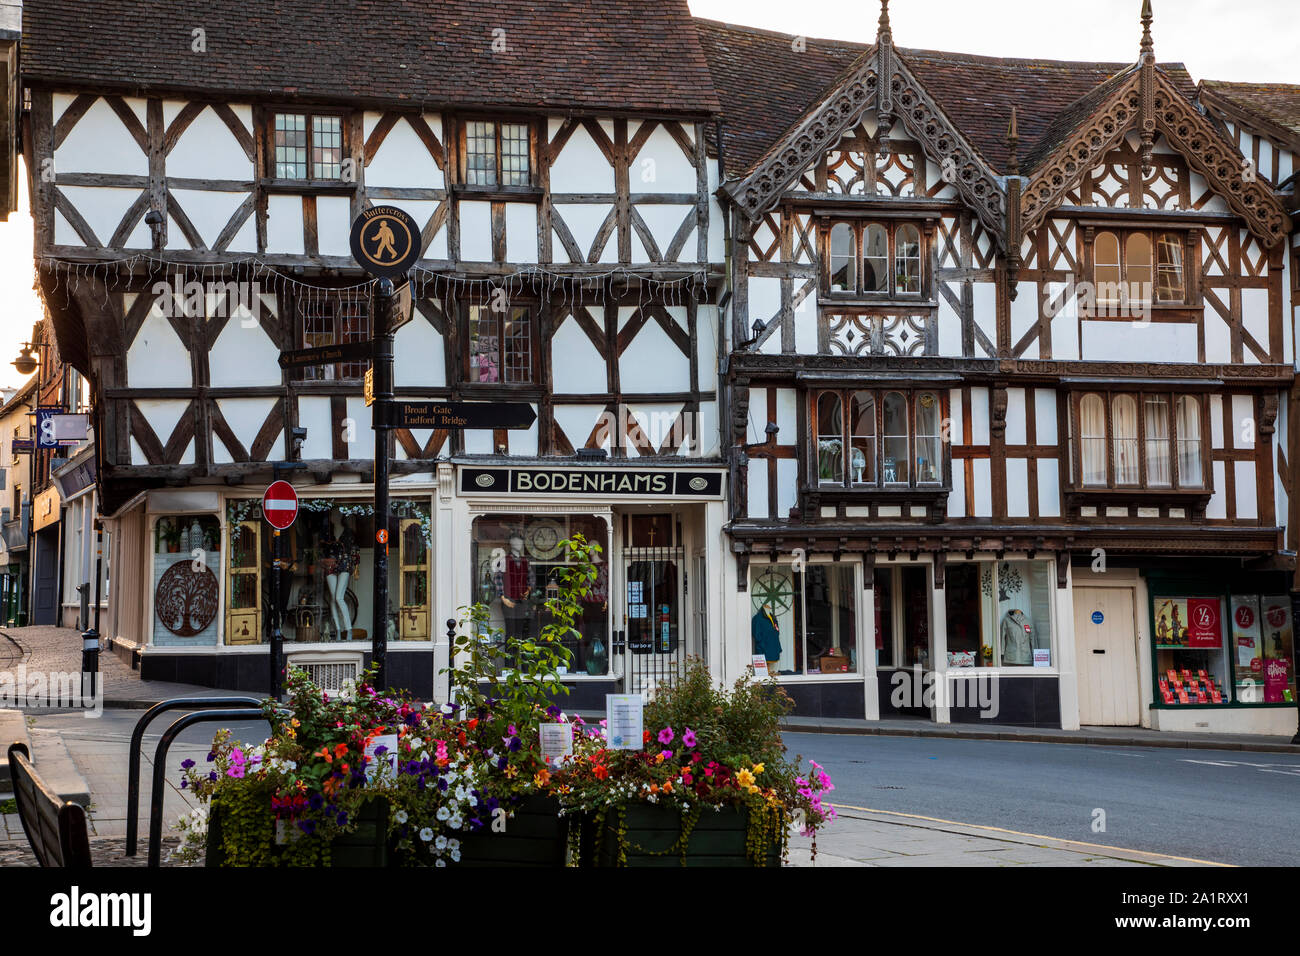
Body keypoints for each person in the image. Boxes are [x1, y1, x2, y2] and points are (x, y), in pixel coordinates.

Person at [751, 602, 782, 674]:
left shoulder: (773, 618)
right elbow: (756, 634)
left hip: (773, 647)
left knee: (770, 669)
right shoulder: (757, 618)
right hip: (764, 647)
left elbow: (776, 632)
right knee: (762, 672)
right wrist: (762, 643)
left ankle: (770, 675)